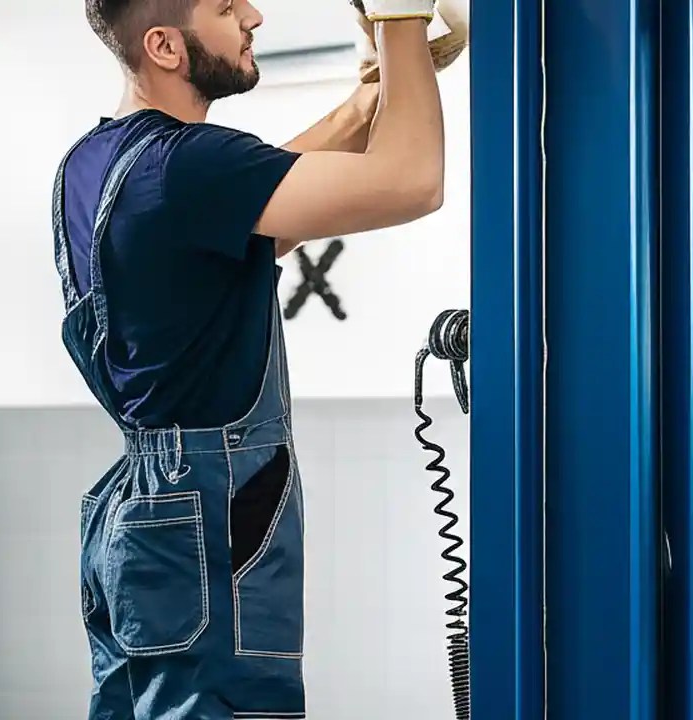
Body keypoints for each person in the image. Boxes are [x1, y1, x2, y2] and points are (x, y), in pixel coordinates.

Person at [50, 0, 448, 717]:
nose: (255, 16)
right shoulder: (187, 164)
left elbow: (258, 201)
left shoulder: (92, 163)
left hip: (139, 511)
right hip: (210, 510)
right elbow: (413, 179)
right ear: (166, 46)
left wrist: (375, 94)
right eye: (228, 6)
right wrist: (401, 19)